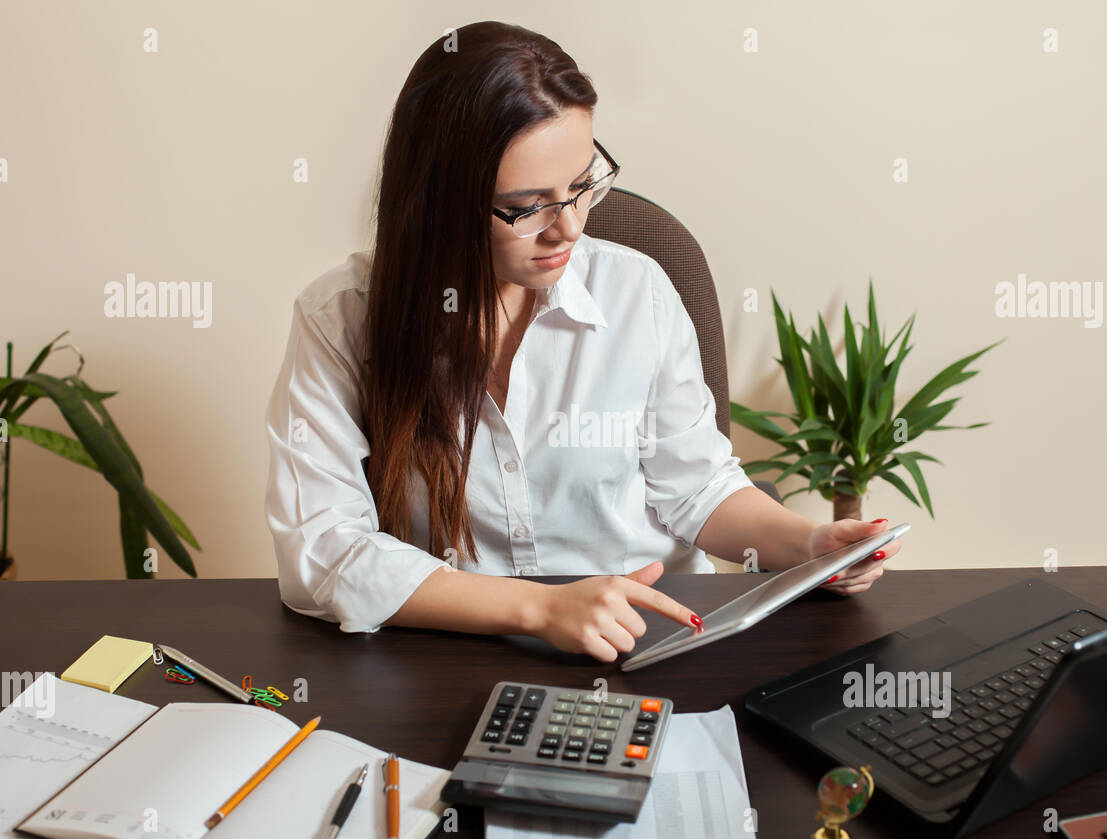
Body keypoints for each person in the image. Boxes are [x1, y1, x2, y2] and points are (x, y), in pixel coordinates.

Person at [264, 21, 902, 663]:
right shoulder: (343, 318)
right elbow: (323, 550)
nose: (567, 228)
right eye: (528, 206)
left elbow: (697, 488)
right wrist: (541, 608)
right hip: (460, 657)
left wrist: (812, 543)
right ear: (438, 203)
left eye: (582, 185)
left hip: (653, 643)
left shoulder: (637, 291)